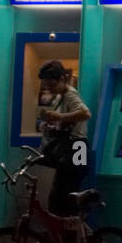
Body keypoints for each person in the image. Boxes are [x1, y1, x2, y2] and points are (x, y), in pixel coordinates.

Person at [36, 60, 91, 216]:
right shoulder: (61, 97)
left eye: (52, 85)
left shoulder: (70, 94)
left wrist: (60, 116)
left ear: (62, 79)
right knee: (62, 196)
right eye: (47, 86)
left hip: (77, 149)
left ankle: (71, 235)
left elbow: (86, 113)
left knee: (64, 197)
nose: (50, 89)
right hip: (75, 150)